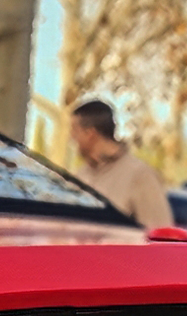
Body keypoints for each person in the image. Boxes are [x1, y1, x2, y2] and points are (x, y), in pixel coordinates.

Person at [66, 99, 174, 231]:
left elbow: (160, 237)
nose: (71, 137)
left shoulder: (140, 176)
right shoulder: (80, 177)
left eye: (74, 130)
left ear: (90, 134)